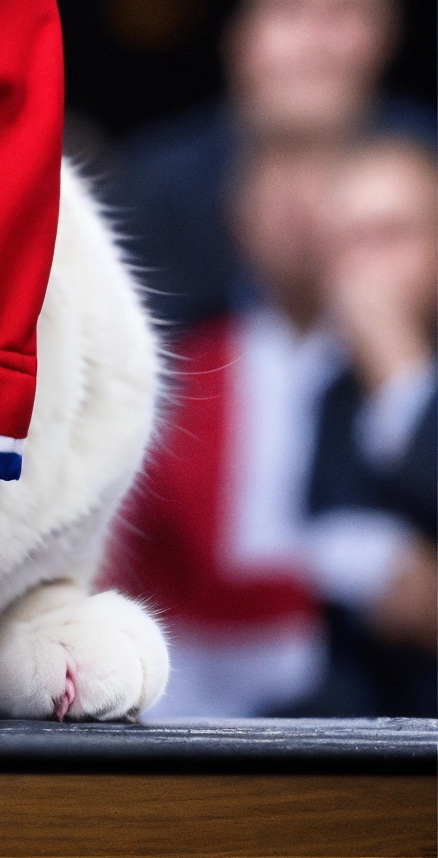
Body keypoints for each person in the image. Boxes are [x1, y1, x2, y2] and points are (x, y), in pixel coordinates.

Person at [109, 128, 345, 717]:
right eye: (273, 192)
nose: (297, 212)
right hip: (186, 672)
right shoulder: (185, 368)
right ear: (235, 219)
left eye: (322, 189)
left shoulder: (398, 368)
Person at [113, 0, 431, 331]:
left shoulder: (431, 164)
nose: (315, 35)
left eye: (346, 8)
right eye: (288, 5)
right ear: (242, 33)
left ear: (388, 35)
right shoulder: (157, 186)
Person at [298, 137, 437, 714]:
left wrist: (404, 379)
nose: (366, 266)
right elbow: (331, 532)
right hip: (373, 712)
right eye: (345, 245)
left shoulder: (383, 369)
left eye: (390, 236)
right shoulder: (337, 390)